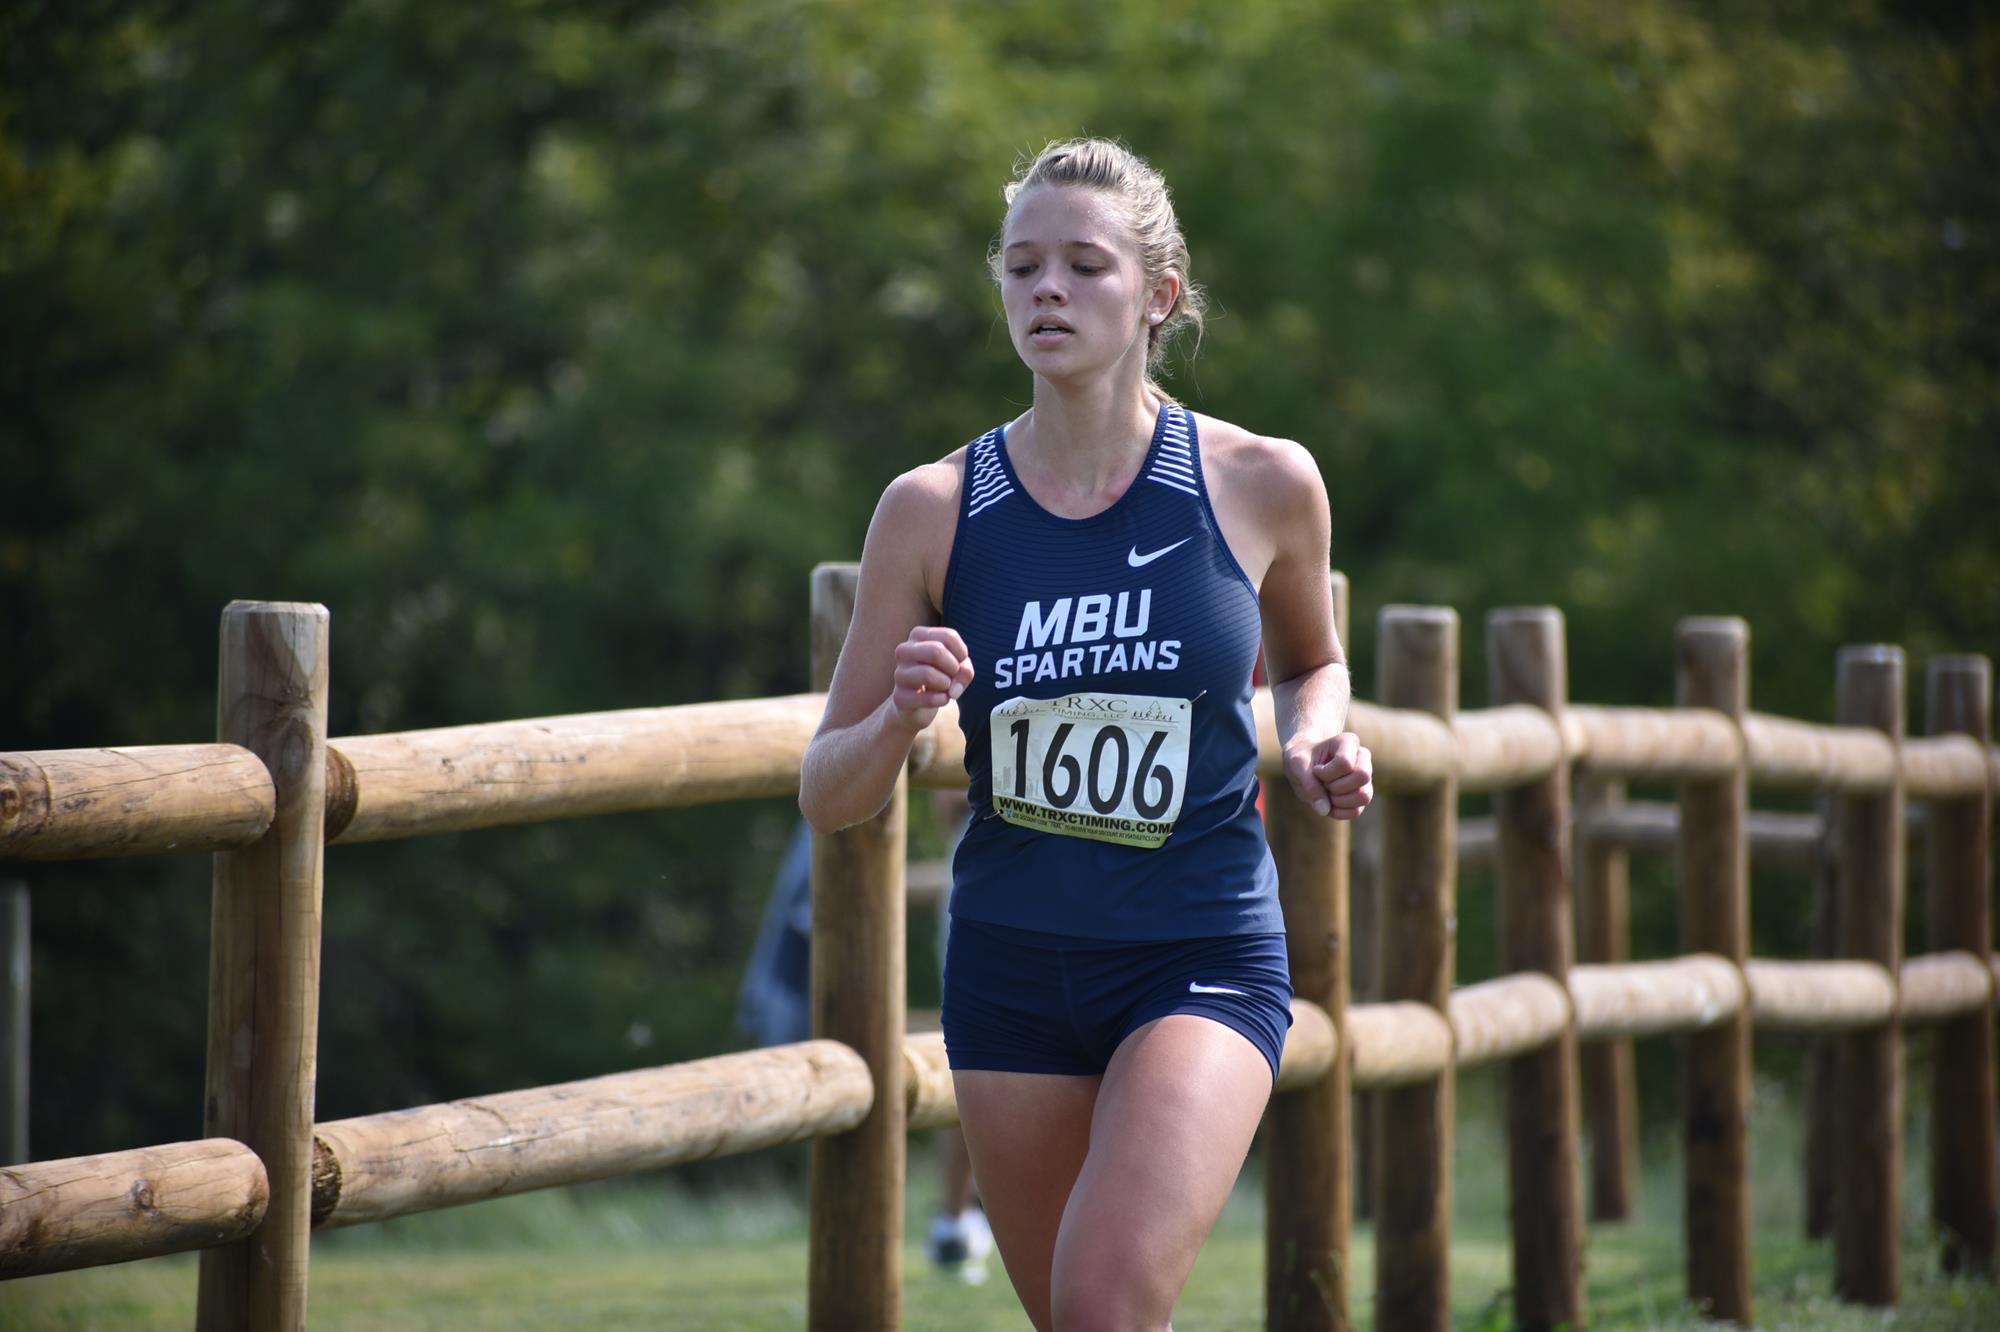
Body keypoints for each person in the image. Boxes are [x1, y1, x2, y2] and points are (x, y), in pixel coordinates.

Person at [799, 138, 1372, 1332]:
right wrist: (902, 717)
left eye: (1081, 264)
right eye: (1019, 266)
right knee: (1082, 1322)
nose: (1044, 290)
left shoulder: (1261, 480)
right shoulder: (932, 511)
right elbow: (826, 792)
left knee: (1103, 1301)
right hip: (1011, 968)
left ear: (1156, 295)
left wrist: (1319, 735)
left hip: (1196, 951)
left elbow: (1313, 660)